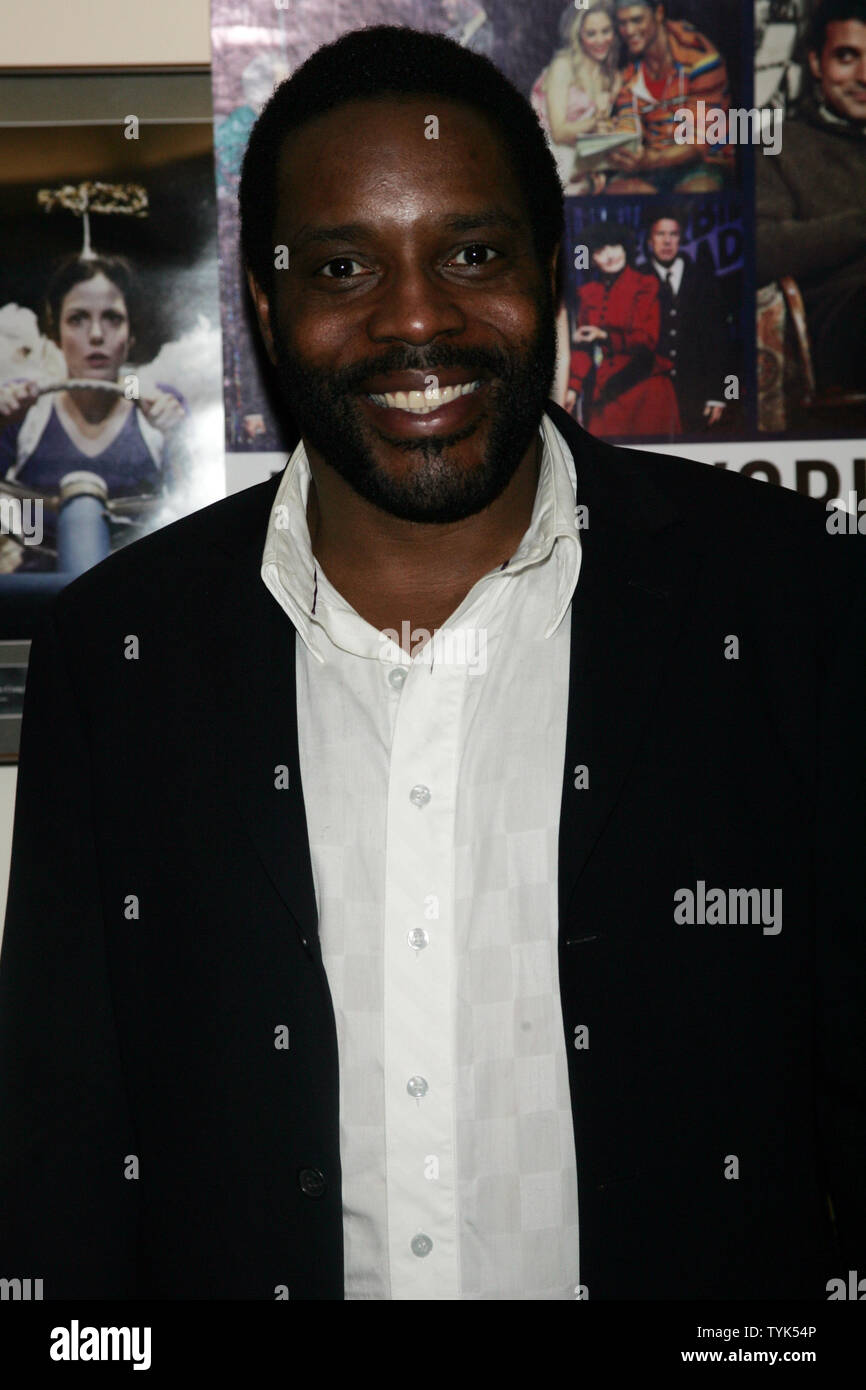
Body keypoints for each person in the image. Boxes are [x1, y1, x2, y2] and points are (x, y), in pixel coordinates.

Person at [0, 24, 863, 1302]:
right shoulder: (121, 655)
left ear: (550, 275)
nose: (415, 316)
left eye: (469, 253)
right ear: (264, 306)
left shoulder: (793, 600)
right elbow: (63, 1160)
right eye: (343, 264)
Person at [0, 254, 187, 569]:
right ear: (56, 335)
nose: (97, 334)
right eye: (78, 319)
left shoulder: (156, 407)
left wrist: (179, 438)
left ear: (131, 334)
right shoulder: (26, 408)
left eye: (113, 318)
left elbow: (196, 511)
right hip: (37, 597)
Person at [756, 0, 866, 395]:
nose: (864, 75)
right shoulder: (781, 146)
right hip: (841, 327)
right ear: (817, 63)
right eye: (847, 57)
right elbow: (763, 248)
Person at [606, 0, 734, 194]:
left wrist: (649, 161)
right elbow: (628, 118)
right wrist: (624, 146)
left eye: (637, 20)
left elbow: (698, 144)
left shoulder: (701, 59)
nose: (629, 30)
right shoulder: (627, 67)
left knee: (696, 193)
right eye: (622, 23)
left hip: (703, 162)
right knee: (617, 191)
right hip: (651, 162)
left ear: (658, 13)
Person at [564, 224, 680, 438]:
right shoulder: (588, 293)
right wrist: (573, 388)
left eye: (615, 246)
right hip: (606, 395)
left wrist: (604, 336)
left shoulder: (646, 285)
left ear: (625, 248)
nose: (609, 256)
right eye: (600, 251)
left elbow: (647, 340)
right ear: (592, 259)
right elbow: (583, 348)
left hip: (646, 389)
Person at [644, 207, 731, 433]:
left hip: (695, 393)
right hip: (649, 395)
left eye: (673, 234)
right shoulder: (638, 278)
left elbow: (717, 338)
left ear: (680, 238)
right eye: (660, 234)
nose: (667, 241)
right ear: (649, 240)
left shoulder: (702, 277)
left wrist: (717, 395)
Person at [530, 0, 623, 192]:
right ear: (579, 35)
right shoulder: (563, 66)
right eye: (591, 33)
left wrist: (606, 127)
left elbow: (600, 133)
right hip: (549, 157)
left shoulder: (614, 77)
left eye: (606, 31)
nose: (600, 40)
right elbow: (559, 132)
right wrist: (595, 123)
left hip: (586, 161)